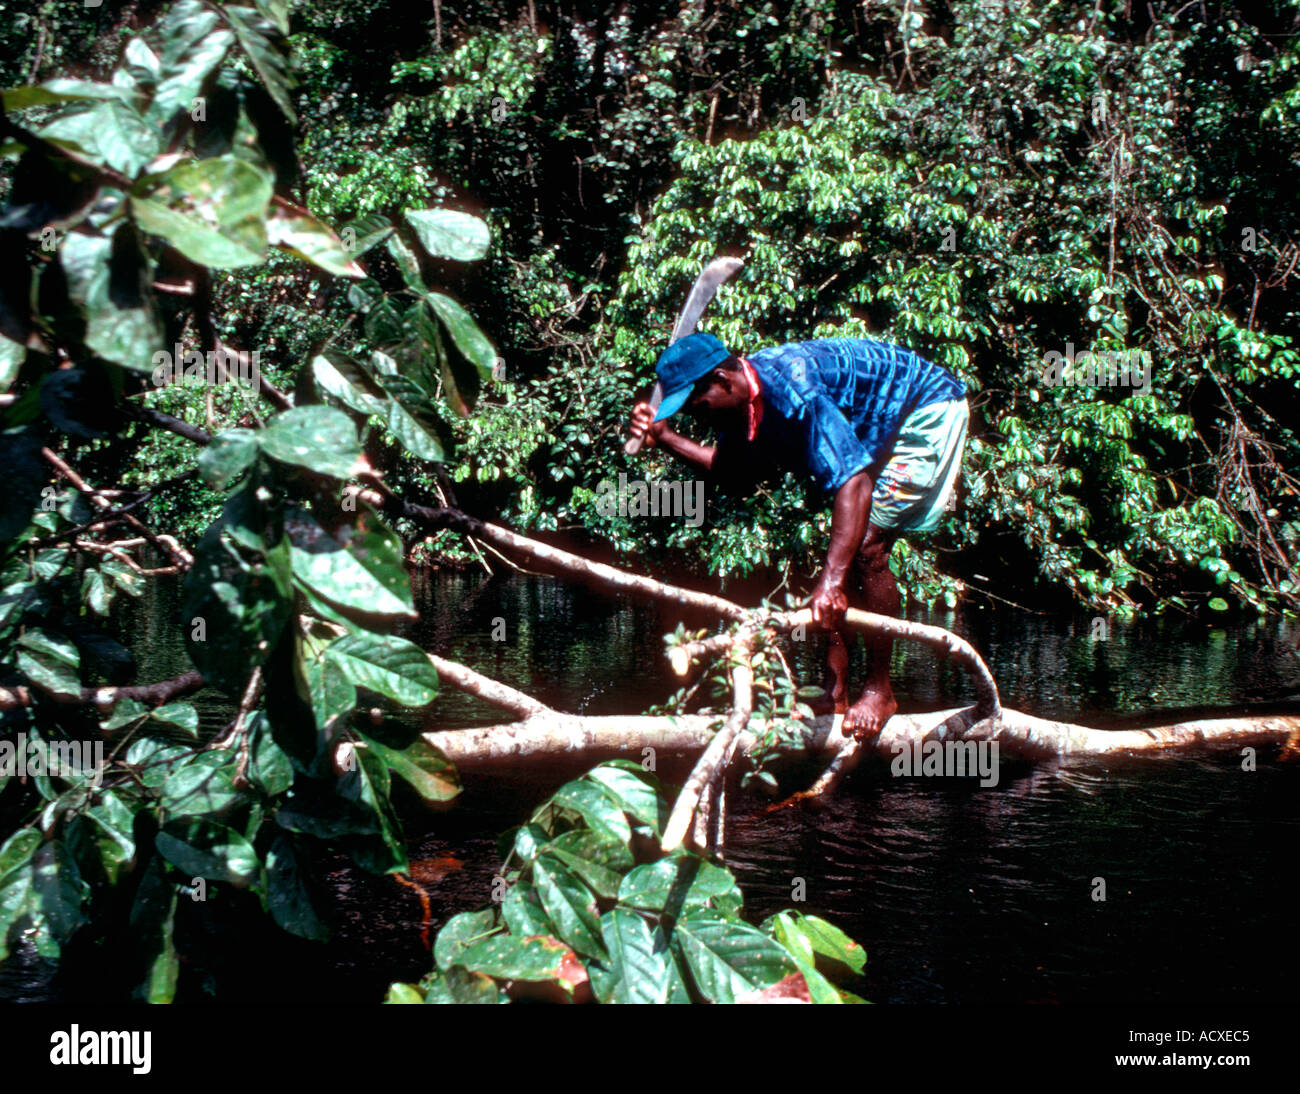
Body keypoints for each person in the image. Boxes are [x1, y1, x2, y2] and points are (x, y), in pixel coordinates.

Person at [628, 332, 968, 741]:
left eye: (698, 405)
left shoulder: (794, 389)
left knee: (865, 547)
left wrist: (831, 581)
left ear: (723, 380)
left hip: (925, 407)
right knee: (841, 551)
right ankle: (835, 691)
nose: (698, 418)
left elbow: (854, 483)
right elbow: (732, 471)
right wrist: (664, 439)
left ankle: (880, 690)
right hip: (874, 427)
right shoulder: (746, 406)